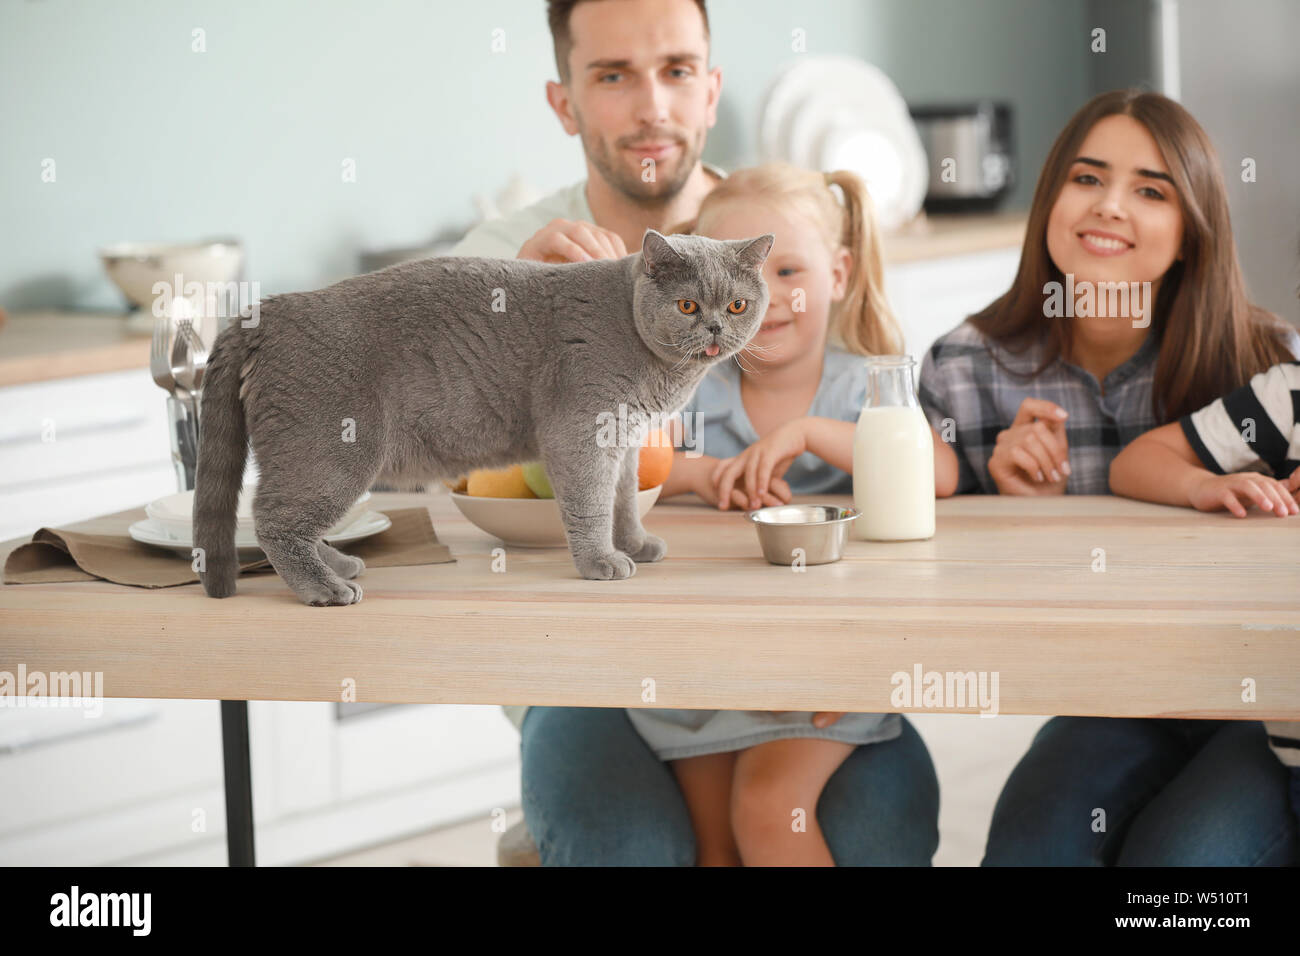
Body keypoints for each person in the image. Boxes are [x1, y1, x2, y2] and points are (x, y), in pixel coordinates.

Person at [450, 0, 939, 864]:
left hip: (807, 655)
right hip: (604, 671)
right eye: (612, 76)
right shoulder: (508, 255)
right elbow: (431, 470)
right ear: (564, 102)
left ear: (711, 90)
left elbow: (912, 464)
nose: (653, 108)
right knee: (636, 846)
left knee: (848, 829)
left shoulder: (775, 237)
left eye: (676, 71)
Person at [919, 87, 1300, 865]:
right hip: (1109, 697)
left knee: (1184, 865)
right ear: (1051, 197)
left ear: (1193, 231)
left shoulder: (1270, 365)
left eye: (1151, 190)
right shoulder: (963, 370)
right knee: (1029, 849)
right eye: (1087, 179)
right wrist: (1015, 518)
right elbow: (943, 601)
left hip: (1258, 705)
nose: (1110, 207)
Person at [620, 162, 952, 865]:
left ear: (839, 272)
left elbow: (940, 472)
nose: (760, 297)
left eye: (789, 271)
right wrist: (700, 474)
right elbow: (622, 467)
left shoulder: (863, 387)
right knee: (713, 848)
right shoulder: (690, 392)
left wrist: (806, 435)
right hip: (707, 667)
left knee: (771, 810)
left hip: (829, 666)